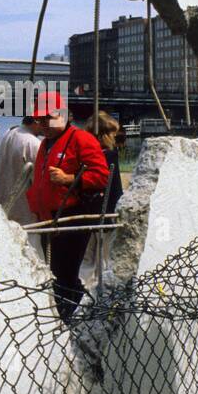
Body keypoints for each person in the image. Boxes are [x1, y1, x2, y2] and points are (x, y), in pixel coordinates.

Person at [25, 92, 110, 322]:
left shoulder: (81, 139)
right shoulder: (45, 143)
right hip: (50, 218)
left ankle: (74, 315)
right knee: (57, 273)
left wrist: (69, 179)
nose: (43, 124)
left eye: (47, 119)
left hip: (73, 216)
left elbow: (101, 175)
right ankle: (75, 312)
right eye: (40, 120)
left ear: (63, 116)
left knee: (64, 274)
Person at [79, 111, 125, 283]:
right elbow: (115, 188)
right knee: (104, 258)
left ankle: (84, 288)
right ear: (106, 135)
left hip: (87, 211)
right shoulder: (110, 156)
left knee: (87, 259)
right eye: (113, 134)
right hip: (106, 213)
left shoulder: (86, 155)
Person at [0, 116, 42, 225]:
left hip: (4, 205)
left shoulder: (9, 133)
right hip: (25, 211)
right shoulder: (34, 143)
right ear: (36, 121)